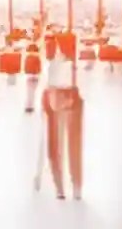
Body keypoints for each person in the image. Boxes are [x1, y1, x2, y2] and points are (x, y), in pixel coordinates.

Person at [40, 32, 83, 200]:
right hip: (70, 99)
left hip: (55, 99)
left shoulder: (54, 63)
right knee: (73, 145)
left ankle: (60, 187)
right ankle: (76, 185)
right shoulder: (72, 65)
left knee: (55, 145)